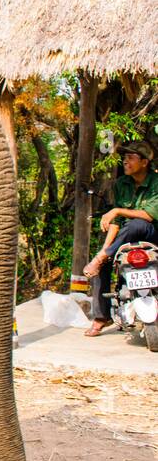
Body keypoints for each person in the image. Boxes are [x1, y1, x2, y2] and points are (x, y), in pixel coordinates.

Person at [84, 140, 158, 337]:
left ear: (144, 162)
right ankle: (101, 317)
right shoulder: (121, 185)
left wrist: (116, 210)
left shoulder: (156, 183)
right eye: (124, 158)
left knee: (138, 224)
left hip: (153, 235)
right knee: (104, 262)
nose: (125, 162)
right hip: (128, 236)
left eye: (131, 158)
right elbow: (116, 223)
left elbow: (149, 215)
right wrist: (104, 252)